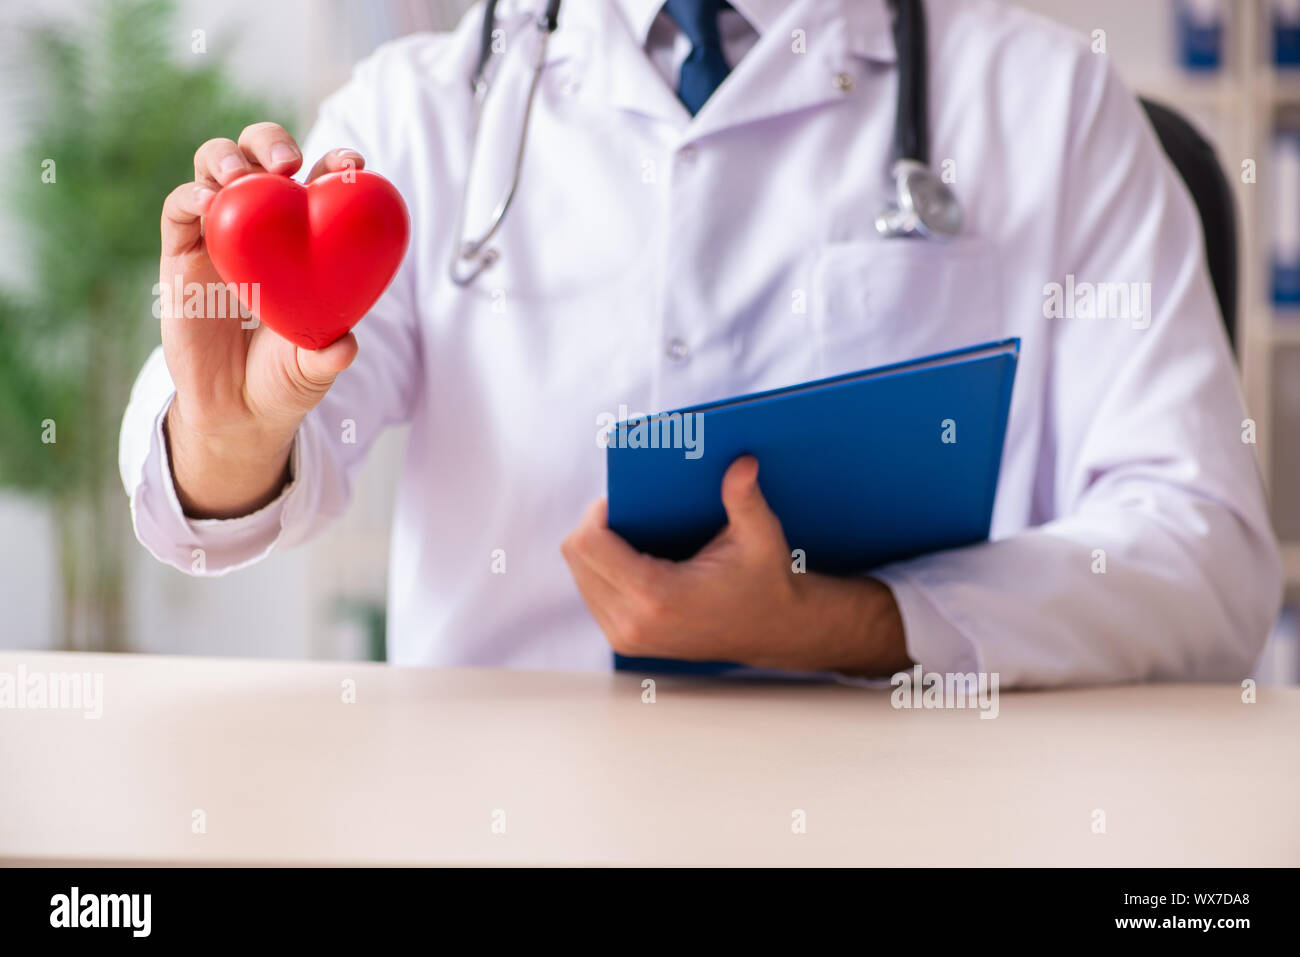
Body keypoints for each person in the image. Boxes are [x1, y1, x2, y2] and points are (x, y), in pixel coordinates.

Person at [119, 0, 1282, 685]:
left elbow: (1209, 556)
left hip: (909, 808)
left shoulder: (1046, 102)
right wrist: (231, 435)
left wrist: (853, 626)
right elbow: (238, 488)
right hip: (500, 825)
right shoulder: (417, 112)